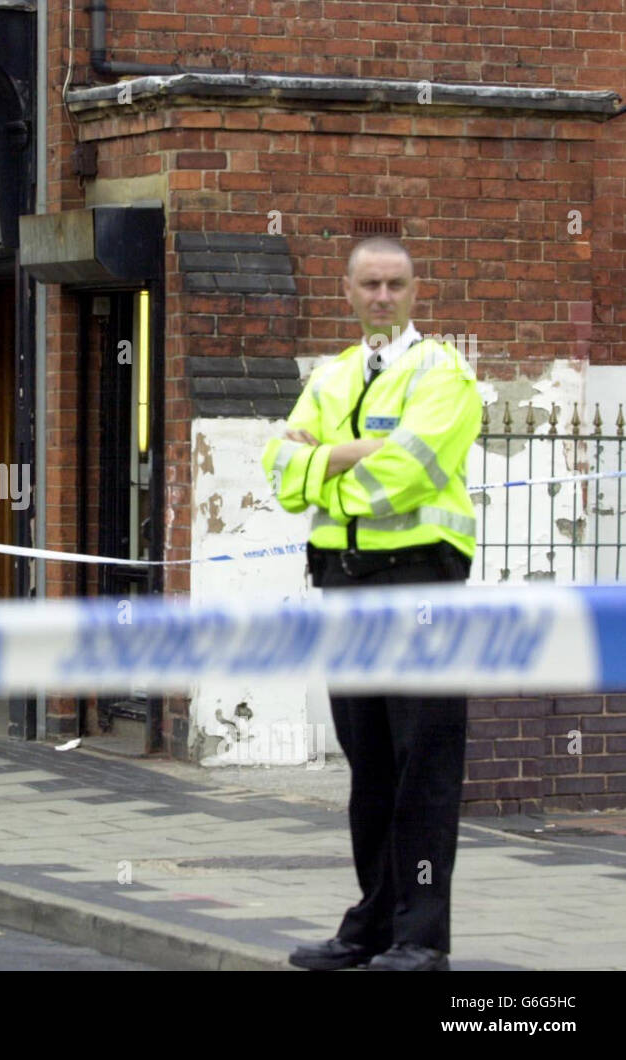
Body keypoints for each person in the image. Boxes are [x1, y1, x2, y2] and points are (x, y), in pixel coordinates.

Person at [261, 237, 482, 972]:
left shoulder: (442, 373)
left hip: (418, 583)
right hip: (346, 585)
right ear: (347, 293)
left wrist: (321, 458)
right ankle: (376, 921)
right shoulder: (331, 376)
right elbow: (277, 469)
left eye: (396, 285)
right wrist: (342, 456)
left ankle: (421, 936)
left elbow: (407, 475)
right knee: (371, 763)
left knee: (424, 761)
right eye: (370, 285)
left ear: (417, 291)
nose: (383, 297)